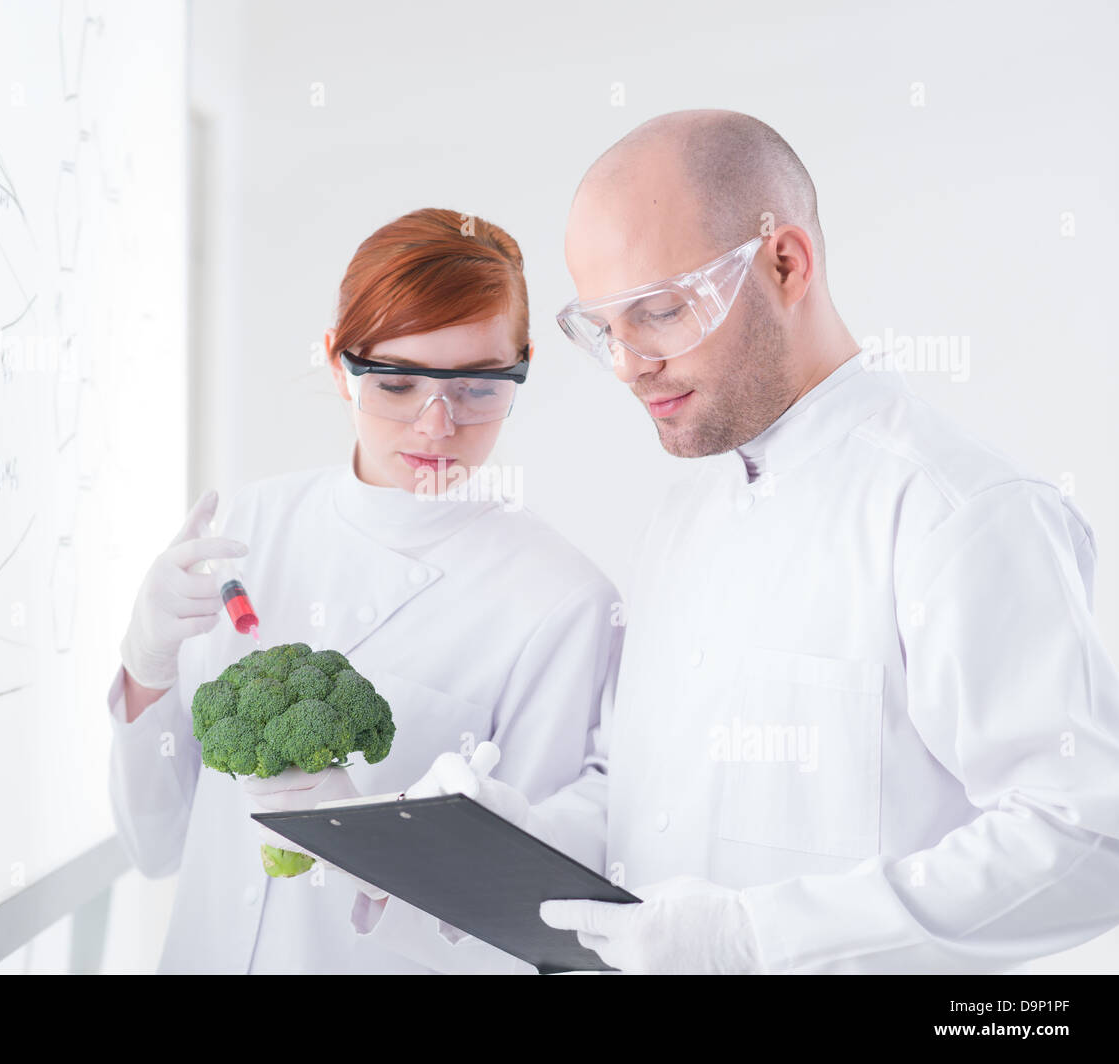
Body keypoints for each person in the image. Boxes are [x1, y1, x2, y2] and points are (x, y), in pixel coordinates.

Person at [397, 110, 1119, 974]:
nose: (628, 365)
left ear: (786, 263)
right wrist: (518, 841)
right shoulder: (685, 514)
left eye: (658, 312)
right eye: (603, 330)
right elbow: (647, 810)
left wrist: (757, 940)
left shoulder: (955, 510)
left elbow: (1089, 840)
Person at [105, 207, 623, 974]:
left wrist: (373, 845)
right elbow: (153, 845)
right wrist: (145, 668)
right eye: (398, 382)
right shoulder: (246, 526)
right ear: (335, 361)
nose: (437, 424)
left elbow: (523, 916)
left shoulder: (562, 600)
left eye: (479, 388)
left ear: (523, 365)